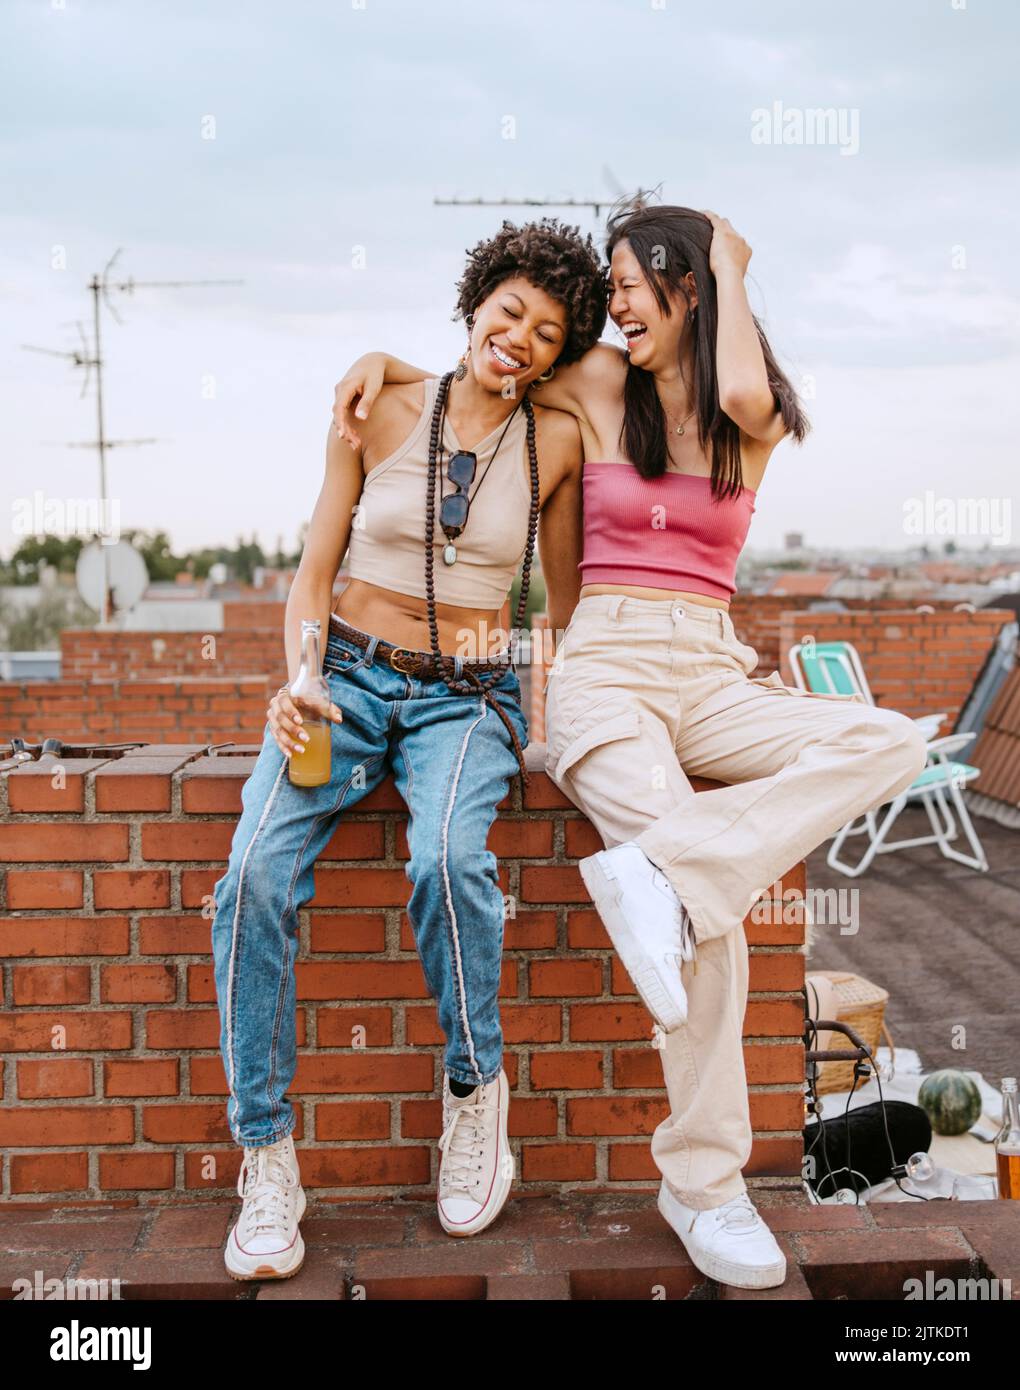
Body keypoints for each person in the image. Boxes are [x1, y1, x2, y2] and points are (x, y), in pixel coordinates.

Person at [332, 200, 929, 1291]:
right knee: (716, 932)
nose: (612, 305)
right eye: (607, 289)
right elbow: (491, 362)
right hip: (603, 670)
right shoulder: (600, 383)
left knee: (888, 739)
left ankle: (666, 869)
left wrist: (733, 260)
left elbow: (741, 388)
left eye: (630, 284)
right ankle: (705, 1184)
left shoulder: (757, 415)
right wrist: (388, 359)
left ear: (687, 287)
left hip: (713, 668)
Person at [213, 218, 607, 1279]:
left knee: (445, 859)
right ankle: (265, 1154)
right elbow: (314, 564)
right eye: (510, 310)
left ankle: (477, 1096)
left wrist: (557, 711)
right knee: (252, 873)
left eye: (549, 330)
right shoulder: (377, 406)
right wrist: (298, 674)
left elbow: (558, 610)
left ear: (563, 353)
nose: (520, 337)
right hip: (340, 679)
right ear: (477, 299)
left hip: (468, 702)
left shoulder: (559, 439)